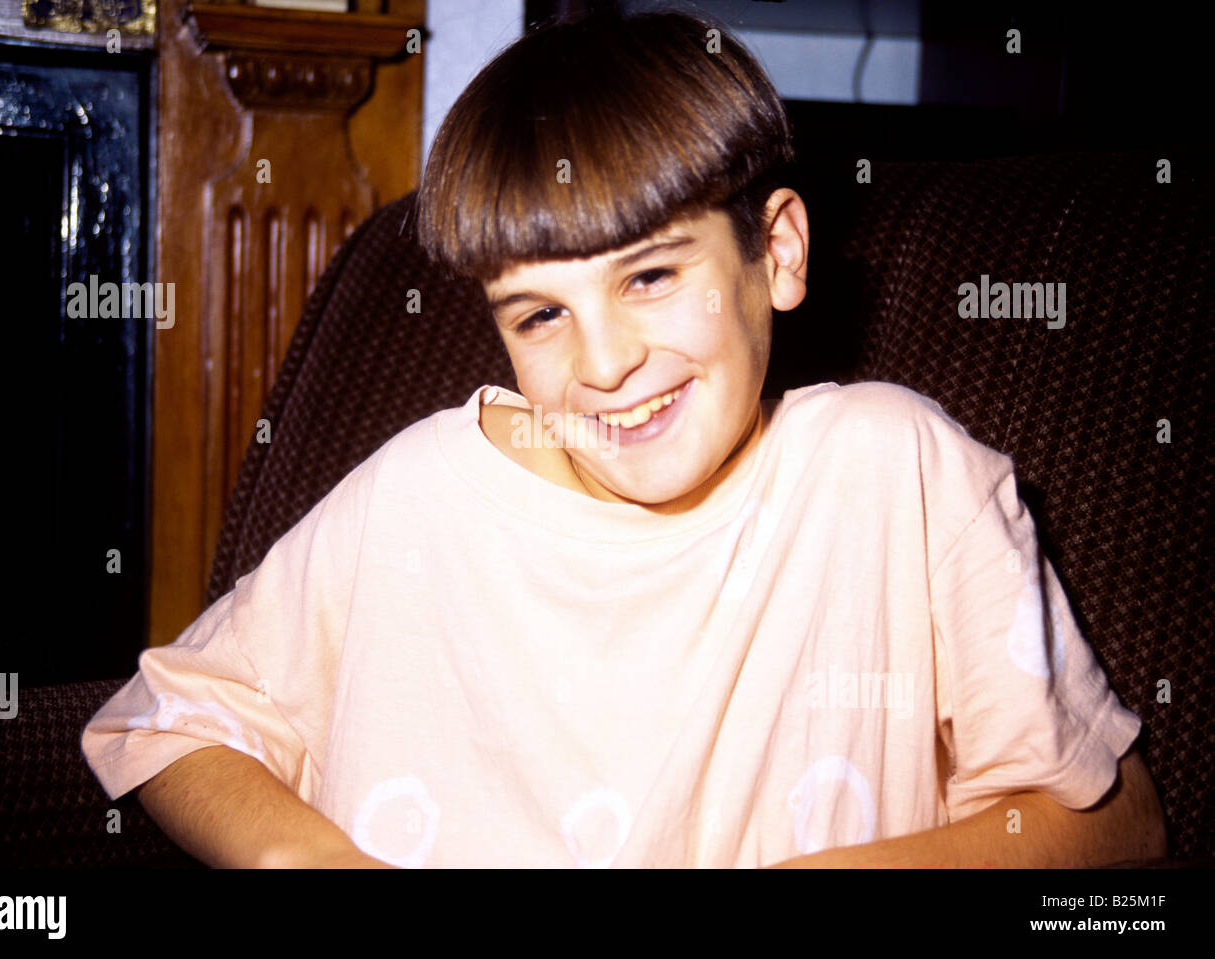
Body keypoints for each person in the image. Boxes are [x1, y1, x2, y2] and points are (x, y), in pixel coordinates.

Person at [81, 9, 1166, 868]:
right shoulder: (417, 496)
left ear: (776, 253)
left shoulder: (895, 474)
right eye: (540, 315)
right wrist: (300, 851)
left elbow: (1114, 828)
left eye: (650, 275)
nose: (601, 366)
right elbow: (167, 720)